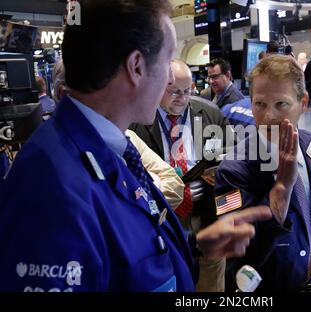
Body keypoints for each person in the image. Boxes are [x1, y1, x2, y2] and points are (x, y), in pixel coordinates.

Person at [0, 0, 272, 292]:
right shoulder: (52, 192)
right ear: (137, 66)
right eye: (167, 60)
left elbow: (124, 253)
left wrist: (191, 247)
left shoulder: (110, 147)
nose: (171, 78)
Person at [214, 55, 311, 292]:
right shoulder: (232, 170)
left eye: (281, 104)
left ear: (303, 102)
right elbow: (239, 247)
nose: (268, 117)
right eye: (259, 104)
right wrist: (282, 188)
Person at [130, 59, 230, 292]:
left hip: (207, 212)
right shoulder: (137, 120)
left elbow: (232, 155)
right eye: (174, 91)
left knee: (211, 280)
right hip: (165, 215)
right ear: (157, 86)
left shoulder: (210, 114)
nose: (182, 98)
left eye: (188, 91)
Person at [51, 60, 185, 209]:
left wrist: (141, 186)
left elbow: (175, 186)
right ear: (64, 95)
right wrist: (148, 184)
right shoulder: (57, 155)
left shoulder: (127, 138)